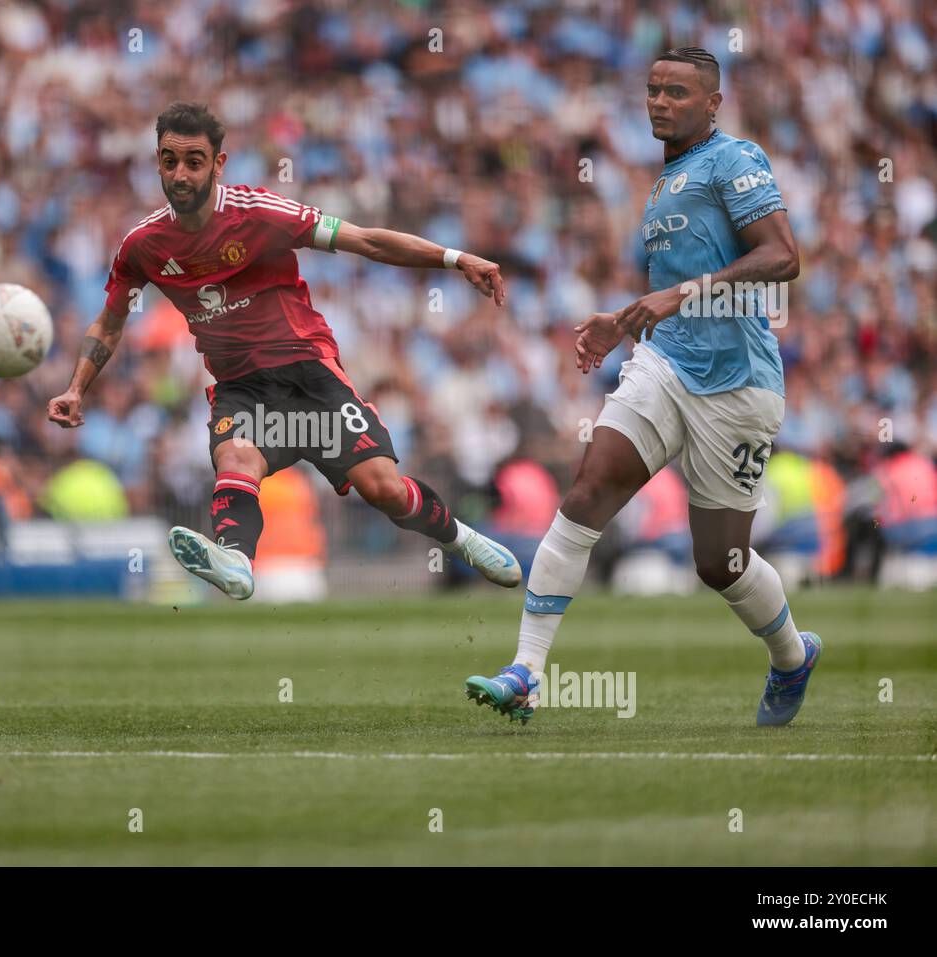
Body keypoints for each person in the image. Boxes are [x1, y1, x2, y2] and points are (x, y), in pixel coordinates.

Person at [465, 48, 820, 726]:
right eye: (653, 90)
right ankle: (526, 671)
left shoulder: (733, 159)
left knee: (720, 563)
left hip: (738, 384)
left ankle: (790, 657)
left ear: (713, 102)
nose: (659, 102)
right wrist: (625, 319)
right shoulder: (663, 181)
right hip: (663, 366)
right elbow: (673, 297)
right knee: (588, 489)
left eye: (678, 92)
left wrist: (673, 296)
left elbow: (783, 257)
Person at [47, 102, 520, 599]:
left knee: (384, 489)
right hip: (241, 388)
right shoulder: (143, 245)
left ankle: (460, 538)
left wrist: (454, 257)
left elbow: (367, 242)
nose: (180, 174)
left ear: (219, 164)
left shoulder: (260, 214)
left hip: (307, 372)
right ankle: (235, 560)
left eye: (193, 161)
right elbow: (110, 322)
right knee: (235, 460)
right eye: (169, 161)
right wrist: (77, 388)